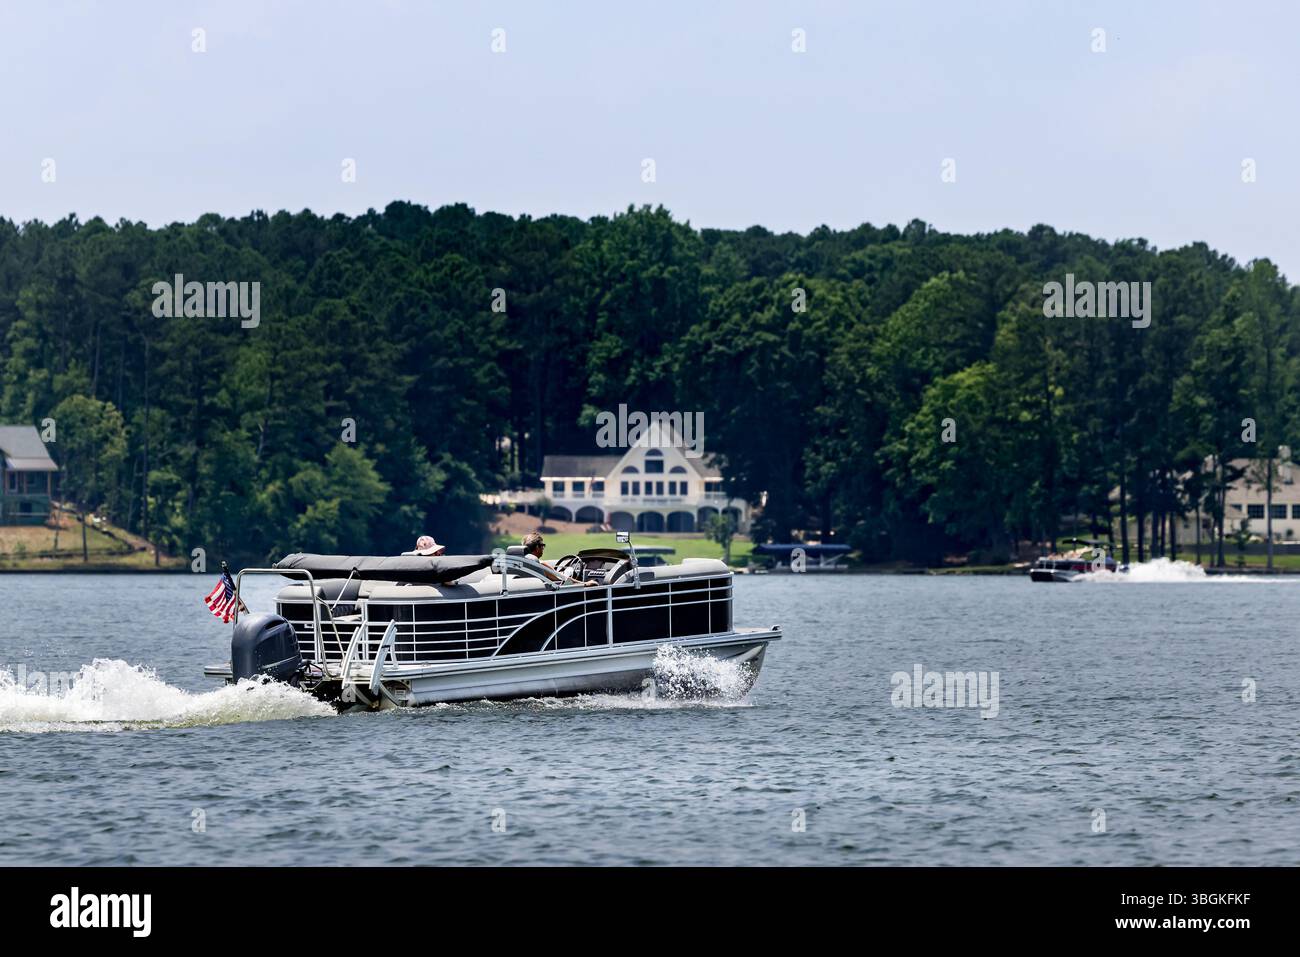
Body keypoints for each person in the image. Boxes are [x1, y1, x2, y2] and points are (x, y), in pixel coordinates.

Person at [521, 532, 596, 585]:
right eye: (542, 545)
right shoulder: (540, 565)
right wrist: (585, 583)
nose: (543, 548)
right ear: (537, 547)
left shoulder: (519, 564)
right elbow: (564, 579)